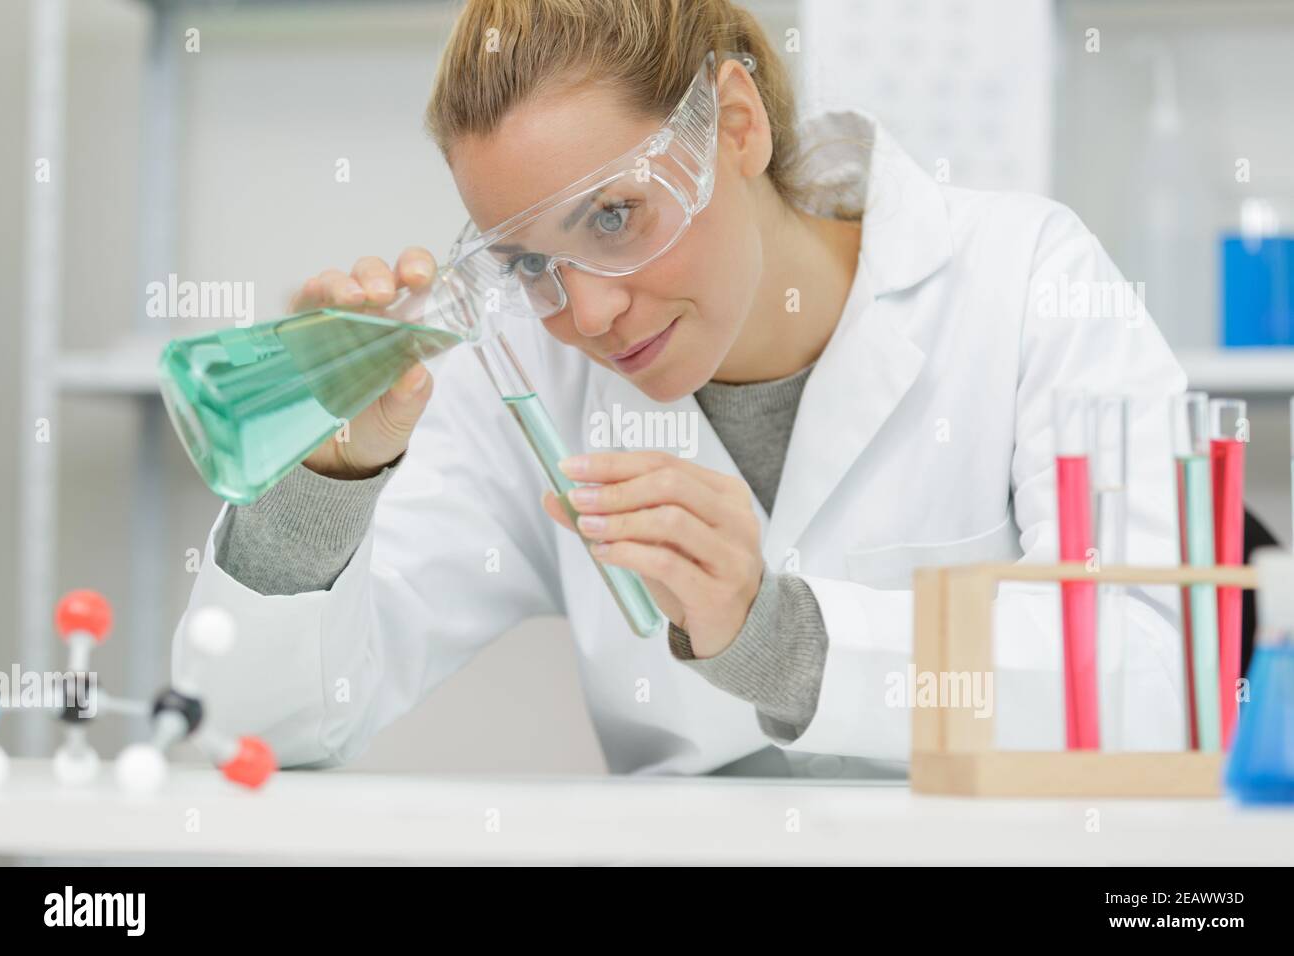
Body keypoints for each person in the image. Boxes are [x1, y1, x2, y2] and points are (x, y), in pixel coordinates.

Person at [175, 0, 1188, 777]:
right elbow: (256, 728)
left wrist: (777, 635)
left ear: (735, 124)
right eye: (527, 263)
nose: (591, 314)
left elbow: (1158, 685)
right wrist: (329, 473)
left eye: (612, 217)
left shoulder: (1024, 282)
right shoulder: (526, 370)